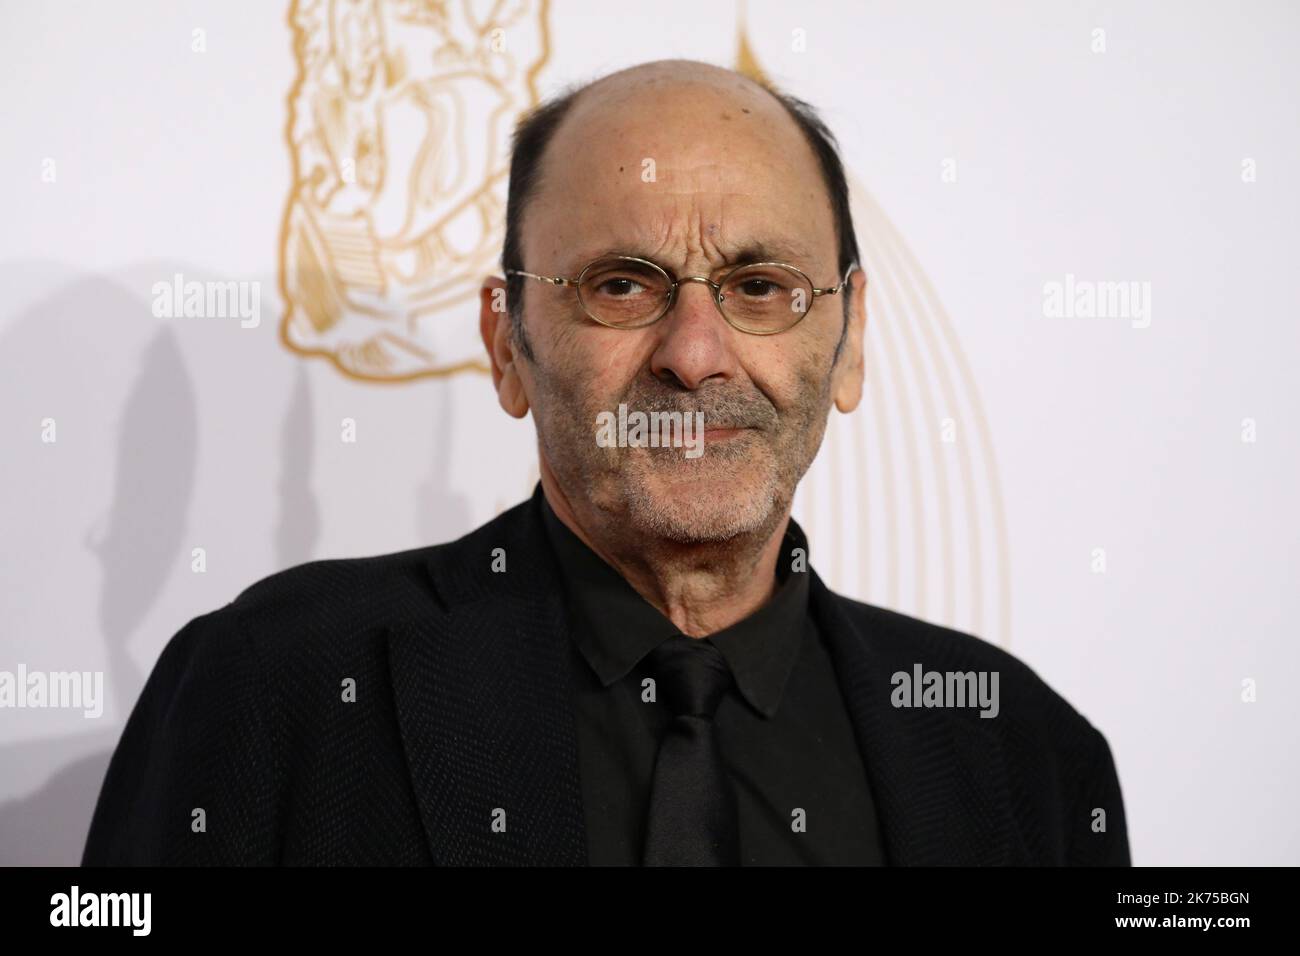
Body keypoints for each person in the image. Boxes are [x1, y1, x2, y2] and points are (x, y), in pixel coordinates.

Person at [83, 59, 1129, 866]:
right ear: (507, 342)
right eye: (623, 285)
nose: (694, 353)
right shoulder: (273, 687)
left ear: (848, 340)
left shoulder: (1022, 752)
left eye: (760, 285)